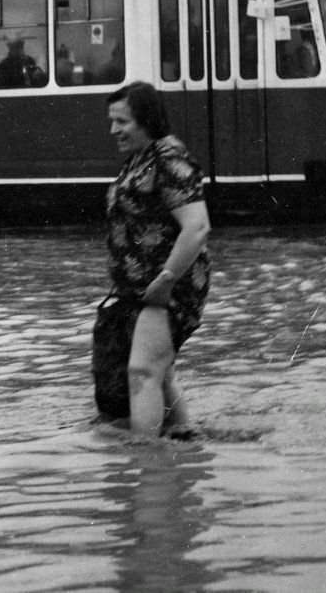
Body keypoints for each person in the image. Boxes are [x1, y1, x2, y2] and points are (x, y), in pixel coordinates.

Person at [102, 81, 210, 437]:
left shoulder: (168, 158)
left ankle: (147, 462)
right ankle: (184, 442)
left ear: (145, 119)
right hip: (144, 288)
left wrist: (165, 281)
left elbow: (197, 227)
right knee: (159, 373)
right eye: (112, 121)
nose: (113, 130)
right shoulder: (141, 158)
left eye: (122, 121)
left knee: (143, 372)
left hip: (166, 286)